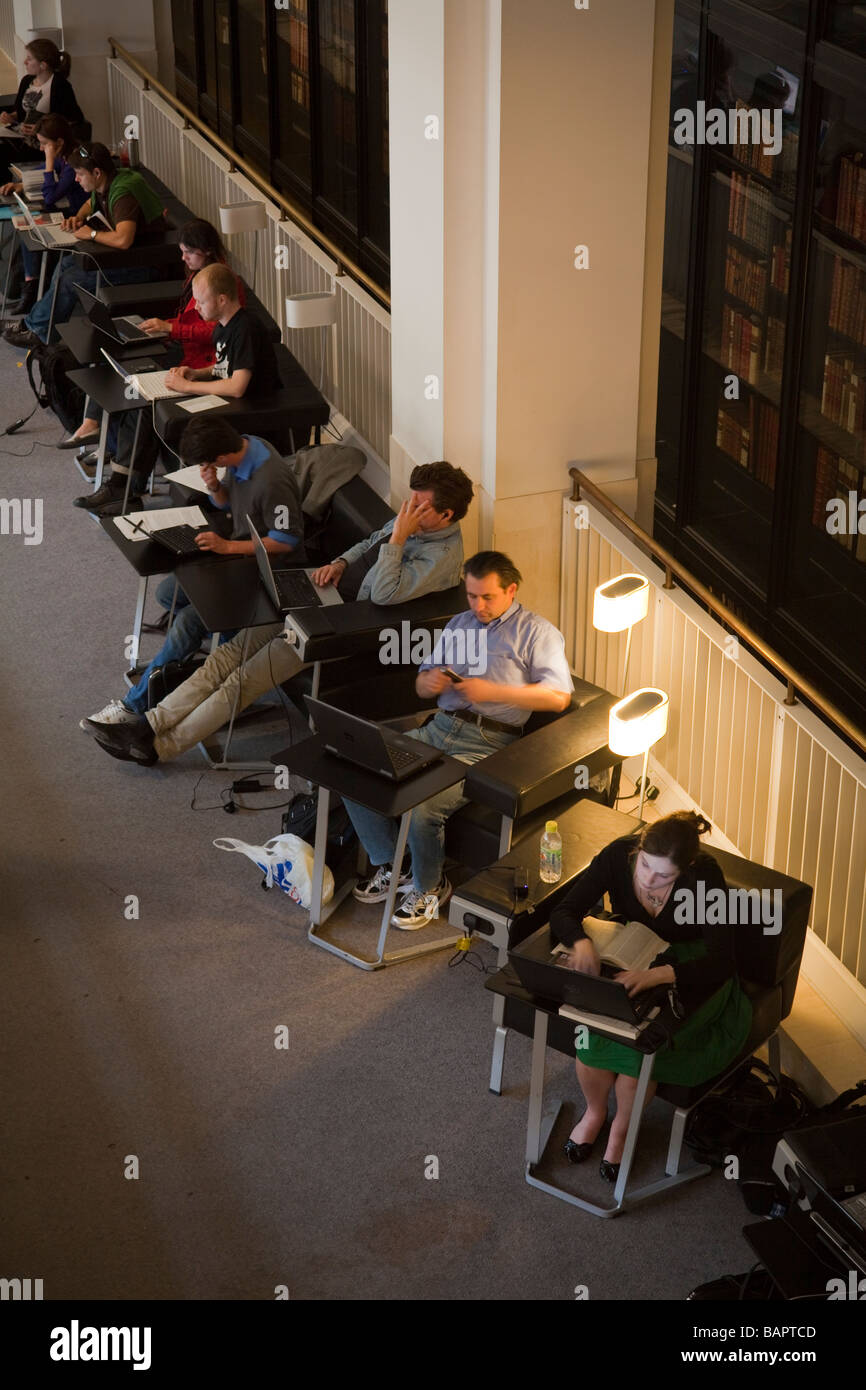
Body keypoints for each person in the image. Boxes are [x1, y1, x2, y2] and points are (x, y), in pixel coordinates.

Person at [85, 456, 473, 766]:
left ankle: (159, 747)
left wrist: (400, 540)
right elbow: (370, 541)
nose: (409, 510)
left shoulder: (441, 556)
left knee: (243, 681)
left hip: (339, 626)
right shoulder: (415, 518)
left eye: (421, 507)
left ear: (446, 516)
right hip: (322, 594)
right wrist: (339, 563)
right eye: (412, 500)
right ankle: (150, 723)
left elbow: (386, 595)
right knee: (225, 657)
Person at [344, 551, 574, 930]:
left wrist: (495, 691)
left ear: (511, 590)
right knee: (356, 769)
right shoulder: (458, 625)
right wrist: (429, 682)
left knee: (423, 809)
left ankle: (432, 887)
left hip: (488, 743)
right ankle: (394, 864)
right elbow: (420, 685)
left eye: (487, 597)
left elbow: (557, 697)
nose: (478, 606)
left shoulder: (537, 632)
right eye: (471, 596)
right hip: (439, 726)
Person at [549, 811, 752, 1183]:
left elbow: (722, 960)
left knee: (639, 1048)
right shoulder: (617, 855)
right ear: (639, 850)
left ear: (686, 868)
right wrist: (581, 942)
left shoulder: (705, 877)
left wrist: (660, 974)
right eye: (644, 865)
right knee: (594, 1037)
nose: (647, 878)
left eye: (663, 875)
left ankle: (622, 1129)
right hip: (635, 954)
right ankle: (595, 1112)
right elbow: (563, 910)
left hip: (689, 971)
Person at [81, 416, 306, 731]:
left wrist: (226, 547)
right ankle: (207, 648)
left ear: (221, 457)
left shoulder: (272, 480)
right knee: (167, 594)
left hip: (269, 573)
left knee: (187, 621)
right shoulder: (244, 446)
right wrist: (214, 487)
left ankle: (133, 706)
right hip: (237, 556)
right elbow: (227, 504)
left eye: (206, 463)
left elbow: (286, 541)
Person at [73, 260, 275, 516]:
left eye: (201, 302)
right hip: (231, 394)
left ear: (222, 300)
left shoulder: (245, 328)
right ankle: (124, 486)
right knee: (146, 401)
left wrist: (188, 385)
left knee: (156, 405)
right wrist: (196, 372)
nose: (197, 308)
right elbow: (223, 365)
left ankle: (123, 487)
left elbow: (237, 386)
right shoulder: (225, 325)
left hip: (248, 404)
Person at [61, 218, 245, 452]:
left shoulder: (223, 283)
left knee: (130, 375)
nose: (183, 258)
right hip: (181, 343)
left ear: (206, 250)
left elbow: (216, 333)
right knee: (113, 354)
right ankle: (96, 427)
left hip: (196, 355)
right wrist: (161, 325)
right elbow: (188, 319)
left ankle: (103, 437)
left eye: (188, 253)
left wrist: (171, 329)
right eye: (181, 252)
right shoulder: (196, 275)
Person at [3, 143, 166, 349]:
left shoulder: (123, 193)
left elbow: (123, 240)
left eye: (80, 174)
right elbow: (91, 202)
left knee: (71, 279)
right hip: (127, 256)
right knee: (65, 265)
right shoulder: (108, 180)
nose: (76, 179)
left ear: (96, 172)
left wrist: (92, 233)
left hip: (146, 264)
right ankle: (38, 327)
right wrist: (78, 218)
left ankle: (36, 329)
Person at [1, 115, 89, 317]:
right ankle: (30, 286)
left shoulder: (74, 162)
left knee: (34, 225)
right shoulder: (66, 154)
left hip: (77, 217)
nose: (41, 149)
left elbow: (50, 197)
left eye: (45, 145)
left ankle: (32, 292)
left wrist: (49, 162)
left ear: (59, 142)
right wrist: (22, 184)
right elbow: (46, 171)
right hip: (69, 211)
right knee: (27, 227)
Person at [0, 39, 84, 182]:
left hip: (42, 143)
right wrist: (10, 117)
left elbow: (74, 120)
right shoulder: (27, 81)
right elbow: (20, 113)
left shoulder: (60, 86)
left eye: (29, 59)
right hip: (21, 136)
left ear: (43, 65)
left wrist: (40, 130)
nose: (25, 62)